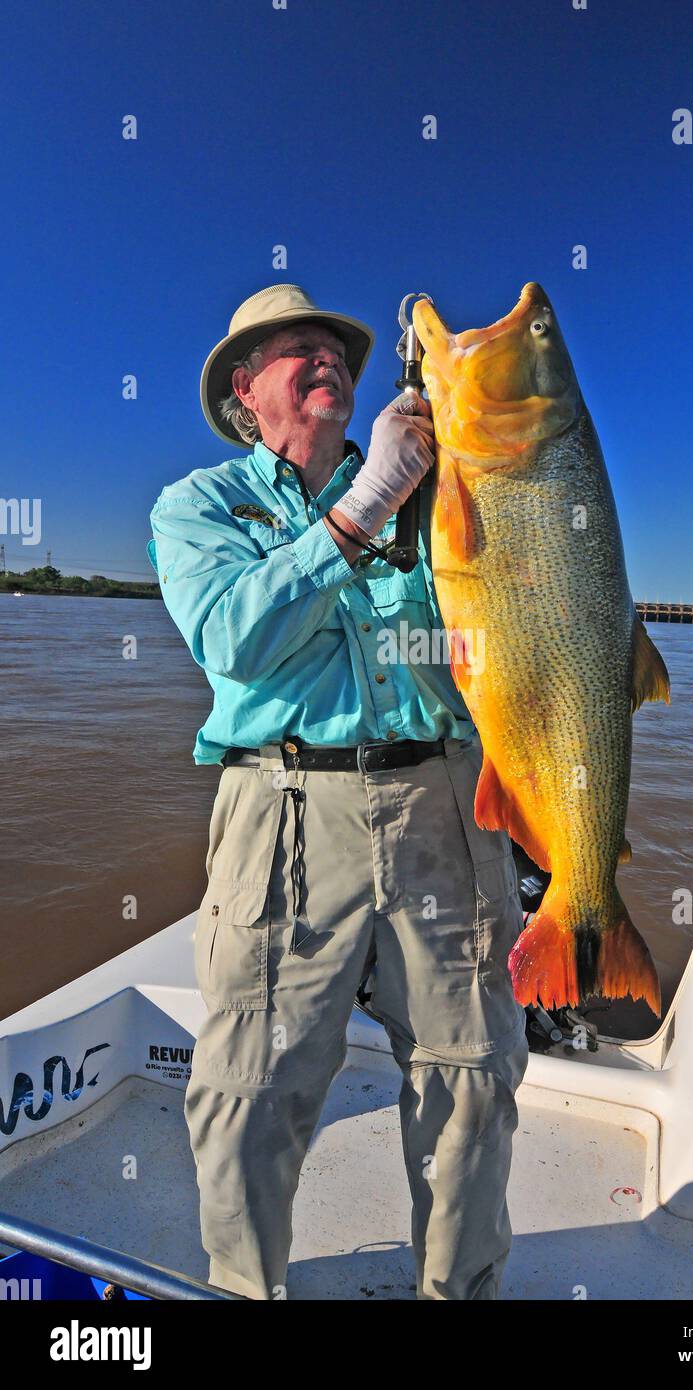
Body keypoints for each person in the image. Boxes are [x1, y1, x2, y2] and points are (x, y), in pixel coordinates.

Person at [148, 282, 529, 1300]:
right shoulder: (198, 507)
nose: (329, 363)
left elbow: (509, 626)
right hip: (282, 812)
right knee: (247, 1090)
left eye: (340, 353)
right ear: (244, 389)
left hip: (445, 803)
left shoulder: (435, 485)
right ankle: (242, 1288)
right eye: (297, 351)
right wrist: (363, 511)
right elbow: (235, 634)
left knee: (473, 1078)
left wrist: (466, 471)